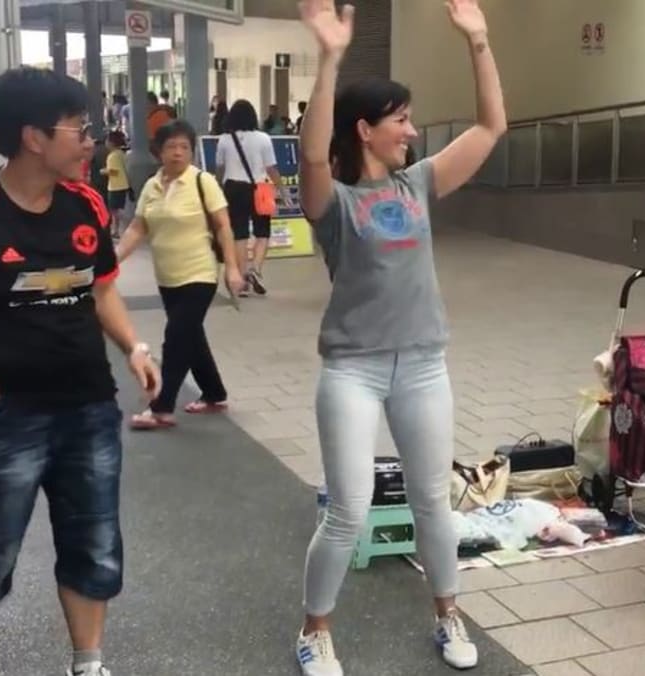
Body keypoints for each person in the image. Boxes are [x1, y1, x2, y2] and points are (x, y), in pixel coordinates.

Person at [0, 66, 160, 676]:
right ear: (33, 138)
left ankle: (88, 665)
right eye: (79, 128)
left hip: (88, 406)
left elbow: (101, 290)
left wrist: (134, 346)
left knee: (95, 547)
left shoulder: (89, 202)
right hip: (4, 415)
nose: (91, 139)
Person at [294, 0, 506, 674]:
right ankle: (314, 631)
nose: (412, 132)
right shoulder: (334, 203)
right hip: (352, 370)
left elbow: (491, 125)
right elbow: (309, 152)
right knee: (349, 511)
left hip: (422, 365)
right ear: (365, 130)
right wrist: (329, 57)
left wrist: (478, 41)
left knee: (432, 505)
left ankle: (448, 615)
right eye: (401, 120)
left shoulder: (419, 184)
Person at [116, 120, 244, 430]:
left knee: (176, 338)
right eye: (171, 147)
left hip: (199, 273)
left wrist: (233, 268)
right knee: (191, 336)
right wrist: (112, 260)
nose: (178, 153)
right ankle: (214, 393)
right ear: (159, 151)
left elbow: (224, 226)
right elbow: (137, 228)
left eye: (184, 147)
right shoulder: (152, 186)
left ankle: (162, 406)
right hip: (167, 277)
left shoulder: (203, 182)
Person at [217, 99, 289, 296]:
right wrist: (282, 191)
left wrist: (217, 189)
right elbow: (271, 168)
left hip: (232, 188)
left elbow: (220, 168)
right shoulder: (263, 138)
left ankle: (240, 280)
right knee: (263, 232)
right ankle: (255, 269)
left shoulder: (224, 139)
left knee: (239, 234)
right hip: (260, 188)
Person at [100, 130, 130, 237]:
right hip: (122, 184)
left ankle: (117, 230)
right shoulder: (121, 153)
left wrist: (103, 171)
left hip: (115, 186)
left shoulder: (112, 156)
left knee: (114, 210)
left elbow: (114, 172)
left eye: (107, 140)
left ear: (112, 143)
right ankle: (117, 229)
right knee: (117, 209)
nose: (106, 143)